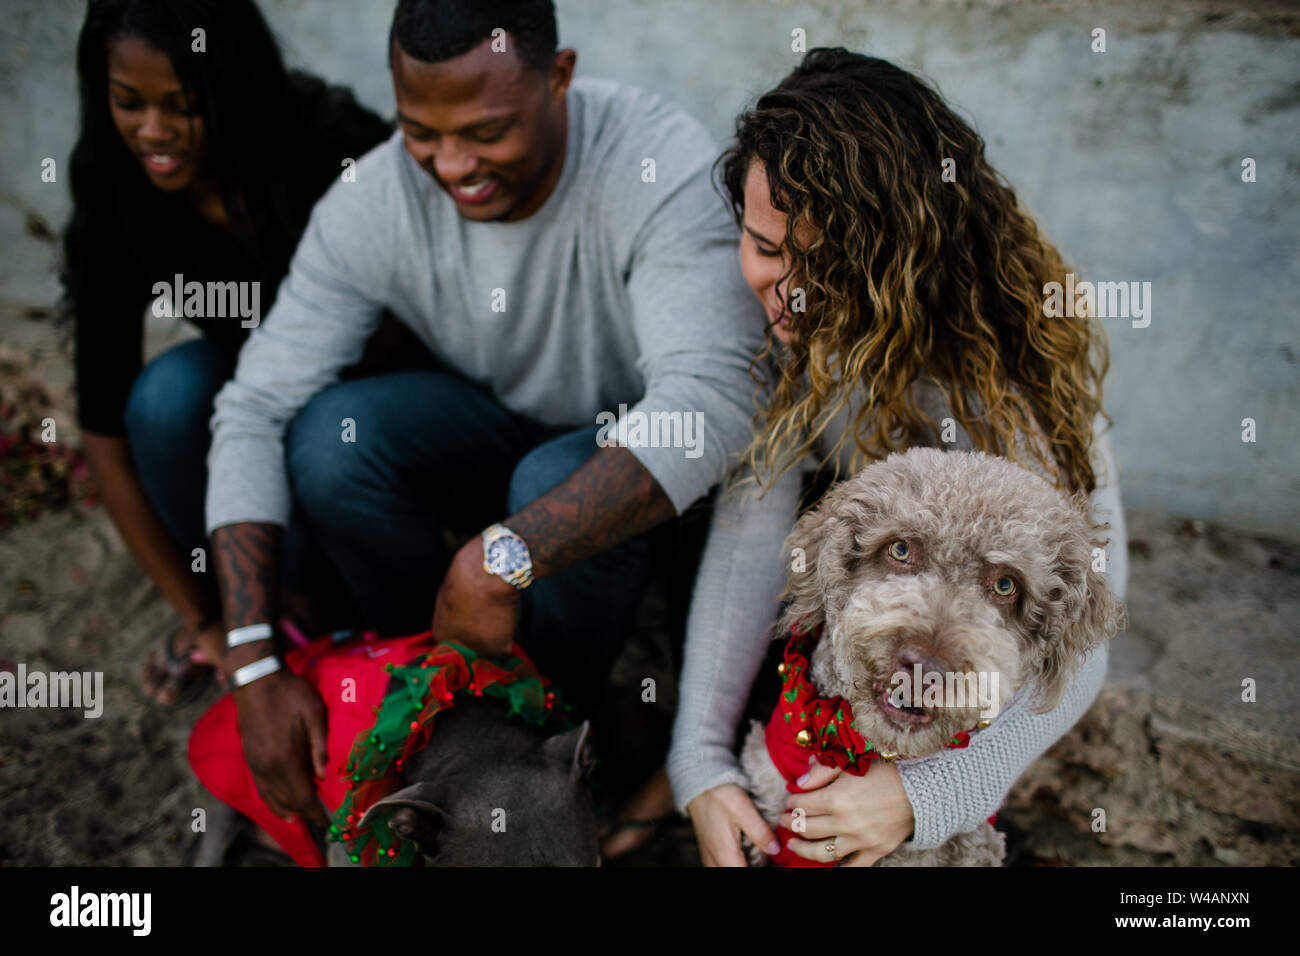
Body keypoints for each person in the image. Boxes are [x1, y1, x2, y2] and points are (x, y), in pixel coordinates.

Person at [201, 0, 767, 847]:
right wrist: (252, 661)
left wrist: (497, 560)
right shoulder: (379, 194)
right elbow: (252, 407)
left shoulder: (657, 160)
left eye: (486, 130)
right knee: (333, 437)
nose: (450, 162)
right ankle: (433, 706)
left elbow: (716, 405)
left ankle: (545, 743)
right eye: (420, 129)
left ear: (559, 77)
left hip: (638, 472)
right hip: (495, 433)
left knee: (548, 483)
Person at [669, 48, 1129, 866]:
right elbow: (753, 528)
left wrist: (932, 797)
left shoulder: (1007, 372)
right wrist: (700, 760)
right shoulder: (787, 331)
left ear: (902, 257)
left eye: (830, 266)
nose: (791, 292)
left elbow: (1083, 635)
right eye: (767, 248)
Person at [63, 0, 392, 703]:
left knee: (330, 435)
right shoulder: (116, 189)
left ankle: (361, 616)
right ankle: (261, 607)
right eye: (127, 102)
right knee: (166, 398)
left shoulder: (329, 149)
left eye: (183, 107)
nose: (153, 132)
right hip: (256, 412)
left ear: (233, 90)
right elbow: (104, 431)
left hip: (372, 416)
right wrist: (204, 616)